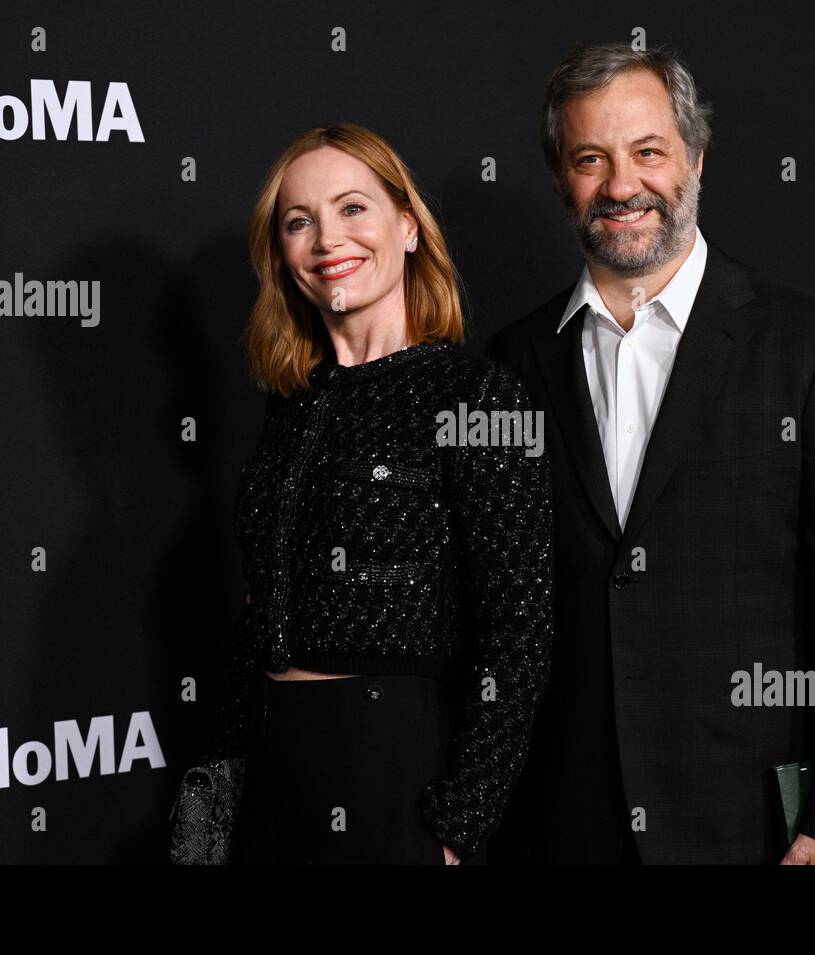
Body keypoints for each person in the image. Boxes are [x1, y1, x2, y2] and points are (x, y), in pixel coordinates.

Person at [485, 42, 815, 864]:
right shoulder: (511, 363)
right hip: (564, 823)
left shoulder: (807, 344)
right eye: (589, 159)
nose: (621, 185)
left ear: (697, 161)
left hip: (751, 823)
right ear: (560, 179)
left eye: (648, 152)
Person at [213, 122, 554, 865]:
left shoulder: (480, 397)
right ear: (282, 253)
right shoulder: (292, 403)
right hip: (274, 768)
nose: (328, 238)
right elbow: (260, 610)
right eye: (299, 222)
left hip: (392, 769)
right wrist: (228, 778)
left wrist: (460, 824)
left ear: (407, 226)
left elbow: (519, 630)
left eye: (353, 208)